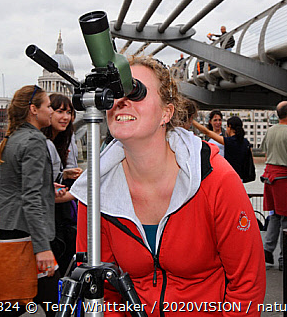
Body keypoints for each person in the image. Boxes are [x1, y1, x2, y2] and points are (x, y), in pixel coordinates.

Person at [70, 56, 265, 315]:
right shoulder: (95, 190)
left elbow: (246, 285)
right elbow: (103, 293)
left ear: (167, 112)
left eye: (136, 91)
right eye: (116, 92)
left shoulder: (216, 179)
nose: (122, 101)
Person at [0, 84, 66, 316]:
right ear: (34, 109)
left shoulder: (14, 138)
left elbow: (13, 187)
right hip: (27, 237)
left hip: (10, 229)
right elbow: (30, 197)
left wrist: (45, 187)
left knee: (8, 300)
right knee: (55, 303)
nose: (51, 111)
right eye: (49, 106)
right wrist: (42, 248)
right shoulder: (34, 141)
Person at [40, 93, 83, 275]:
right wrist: (81, 191)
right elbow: (39, 190)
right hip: (49, 222)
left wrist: (64, 173)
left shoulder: (66, 139)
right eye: (60, 111)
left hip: (61, 220)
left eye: (69, 112)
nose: (66, 117)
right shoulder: (42, 143)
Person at [261, 101, 287, 270]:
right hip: (285, 181)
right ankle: (284, 258)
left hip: (270, 179)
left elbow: (266, 154)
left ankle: (267, 249)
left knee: (274, 216)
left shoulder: (270, 131)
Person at [193, 115, 252, 182]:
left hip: (230, 177)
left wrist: (192, 121)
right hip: (241, 179)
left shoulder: (229, 141)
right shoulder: (246, 142)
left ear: (229, 127)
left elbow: (207, 132)